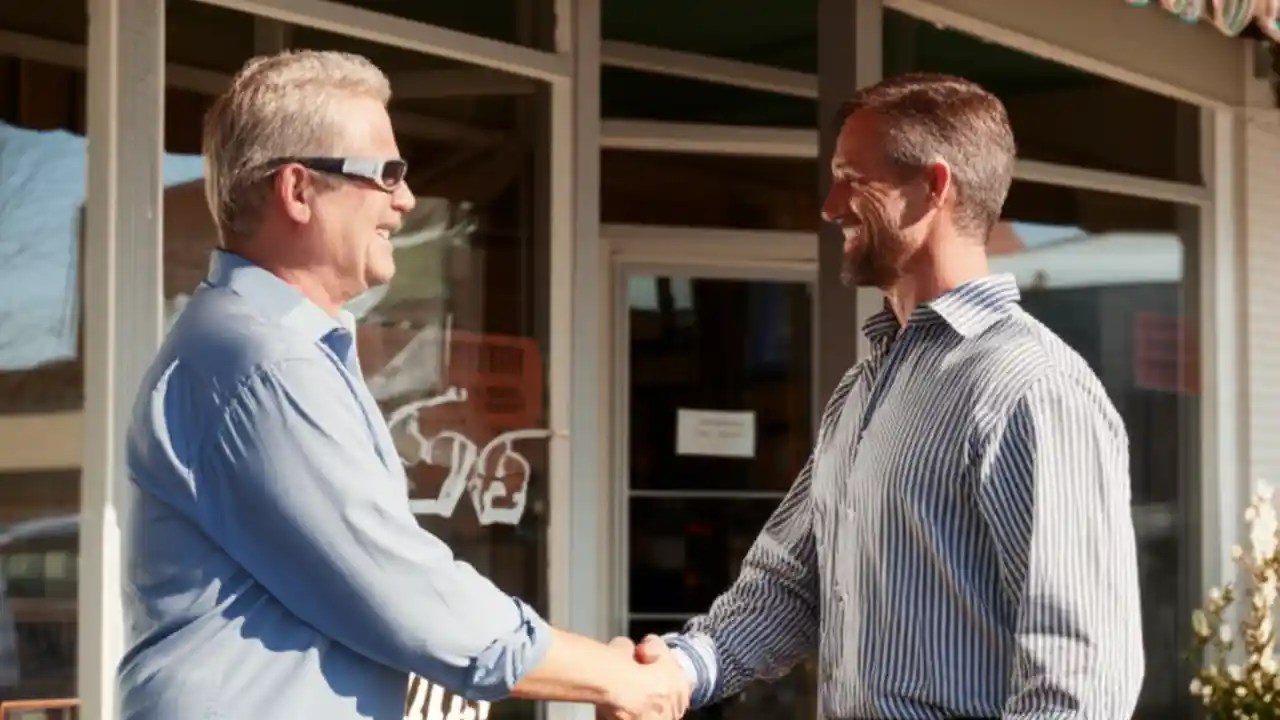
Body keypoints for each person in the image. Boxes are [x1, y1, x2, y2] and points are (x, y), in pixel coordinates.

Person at [117, 49, 689, 720]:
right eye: (385, 173)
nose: (406, 199)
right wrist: (610, 676)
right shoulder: (264, 364)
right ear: (298, 191)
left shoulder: (267, 349)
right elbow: (403, 594)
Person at [629, 72, 1145, 718]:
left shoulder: (1031, 389)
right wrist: (680, 670)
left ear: (933, 187)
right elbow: (789, 587)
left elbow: (1079, 681)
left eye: (853, 178)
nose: (830, 205)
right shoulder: (865, 385)